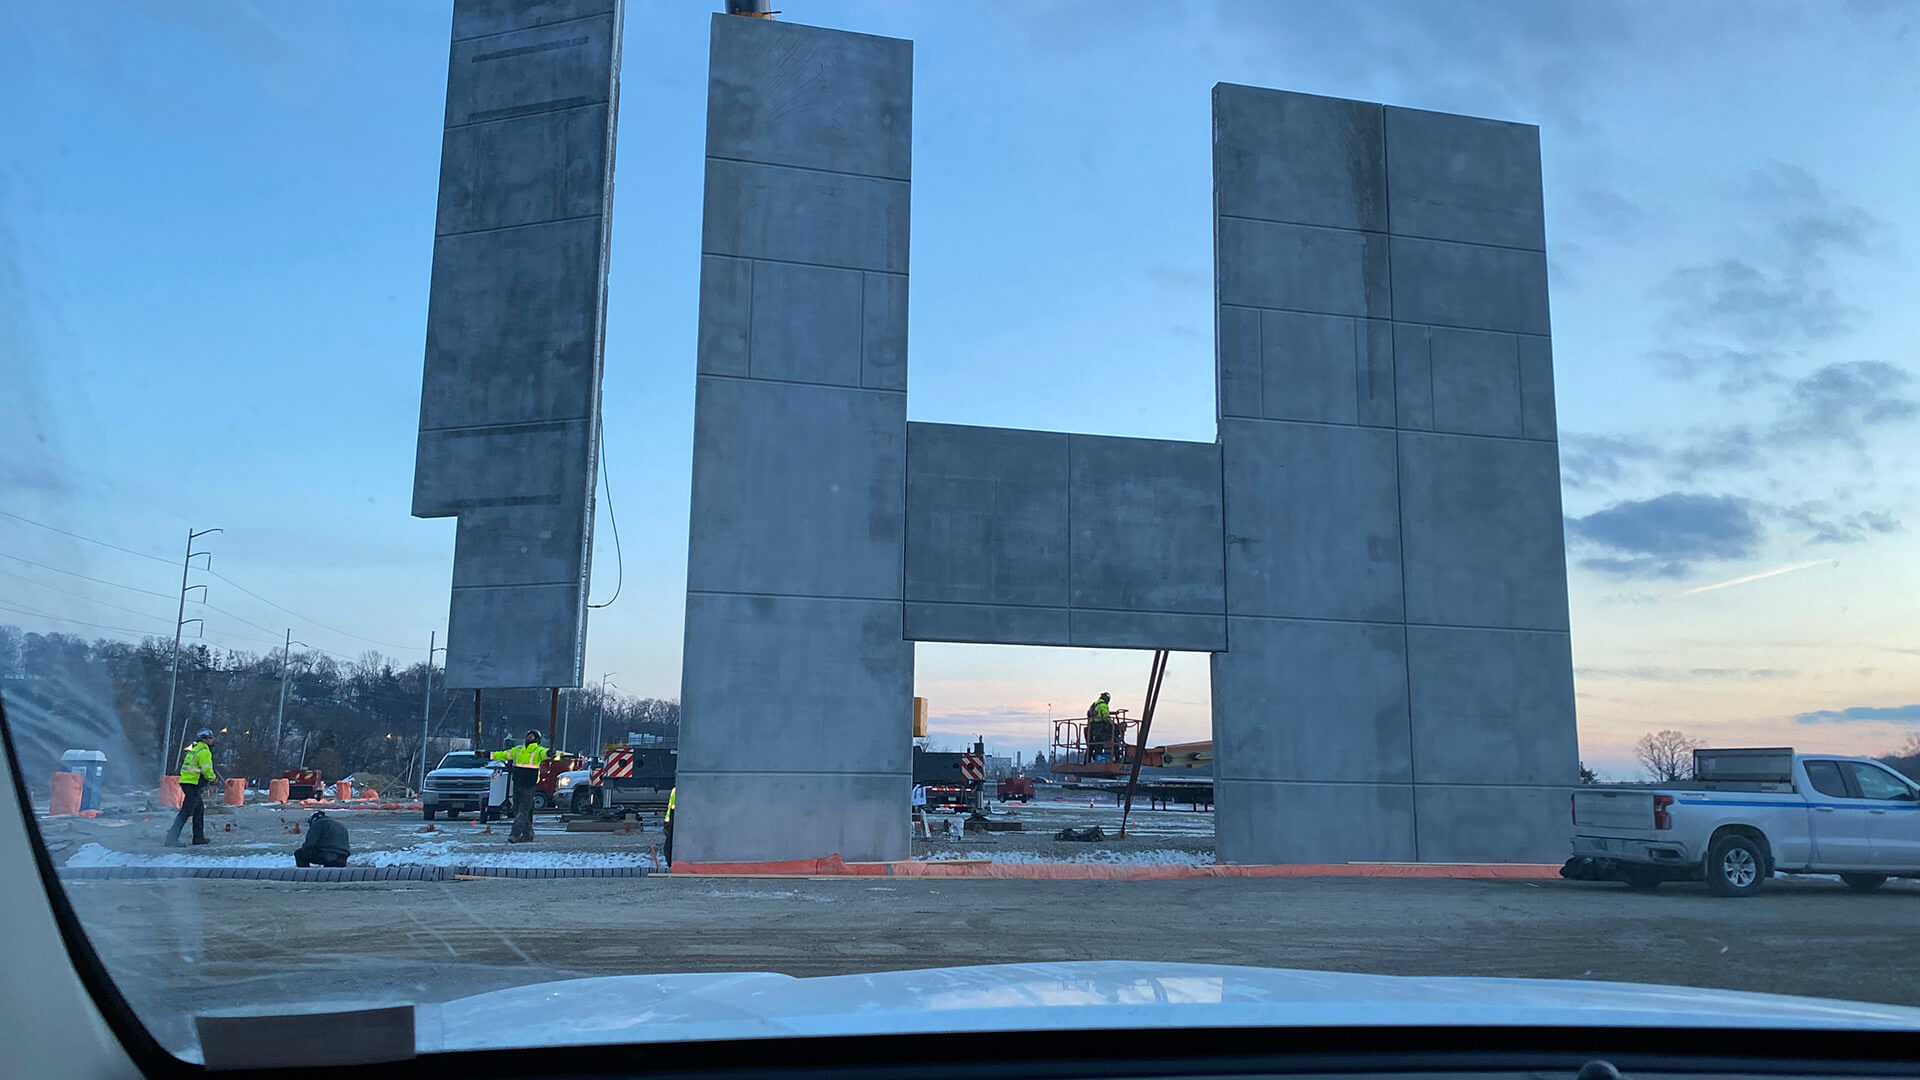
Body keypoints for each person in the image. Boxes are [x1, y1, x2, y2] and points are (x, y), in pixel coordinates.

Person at [491, 728, 550, 843]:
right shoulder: (518, 750)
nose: (529, 738)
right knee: (518, 810)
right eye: (528, 736)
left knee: (522, 811)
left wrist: (550, 753)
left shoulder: (538, 751)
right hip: (517, 783)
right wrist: (489, 755)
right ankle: (528, 834)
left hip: (529, 785)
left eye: (532, 736)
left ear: (537, 740)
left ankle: (514, 834)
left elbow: (545, 754)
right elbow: (503, 755)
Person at [165, 728, 216, 847]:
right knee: (186, 811)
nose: (213, 740)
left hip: (187, 782)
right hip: (192, 783)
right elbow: (206, 769)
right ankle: (171, 838)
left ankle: (198, 838)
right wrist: (213, 779)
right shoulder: (204, 751)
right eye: (211, 738)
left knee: (199, 810)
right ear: (205, 738)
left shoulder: (195, 749)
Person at [1086, 692, 1113, 762]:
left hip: (1091, 727)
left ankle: (1087, 761)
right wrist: (1111, 722)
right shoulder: (1103, 705)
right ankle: (1099, 759)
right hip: (1100, 727)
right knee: (1099, 744)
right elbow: (1106, 716)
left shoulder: (1094, 705)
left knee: (1091, 745)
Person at [663, 785, 676, 866]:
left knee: (669, 846)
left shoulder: (675, 790)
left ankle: (671, 864)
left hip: (674, 819)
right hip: (675, 818)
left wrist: (666, 824)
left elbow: (670, 808)